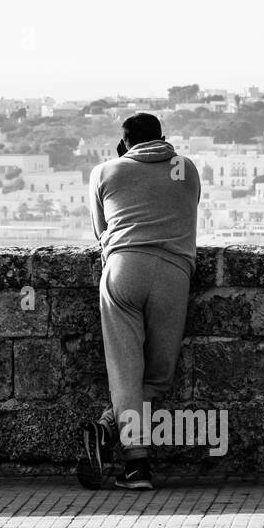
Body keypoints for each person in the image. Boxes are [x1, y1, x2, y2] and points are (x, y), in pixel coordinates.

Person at [78, 113, 200, 491]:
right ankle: (114, 437)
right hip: (172, 275)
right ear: (164, 138)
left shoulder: (105, 172)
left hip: (123, 271)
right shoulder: (187, 168)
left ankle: (132, 461)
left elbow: (102, 232)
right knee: (157, 378)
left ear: (123, 143)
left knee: (124, 374)